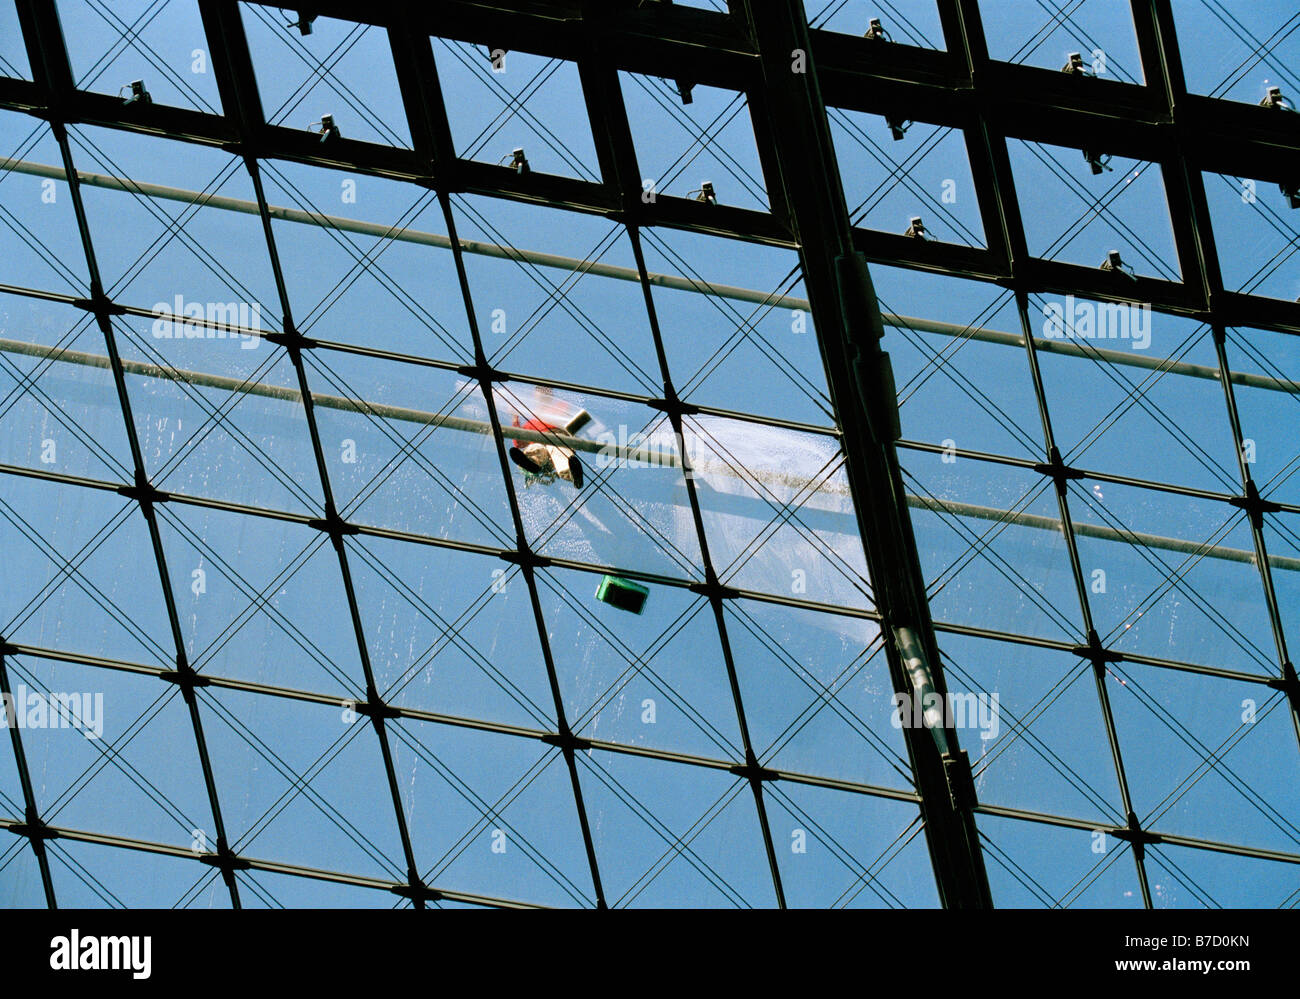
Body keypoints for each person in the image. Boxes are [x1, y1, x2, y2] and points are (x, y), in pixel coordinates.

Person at [509, 413, 584, 489]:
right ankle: (532, 464)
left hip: (555, 437)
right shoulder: (532, 423)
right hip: (541, 442)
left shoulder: (557, 415)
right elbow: (518, 442)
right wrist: (515, 420)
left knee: (557, 448)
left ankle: (572, 473)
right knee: (537, 448)